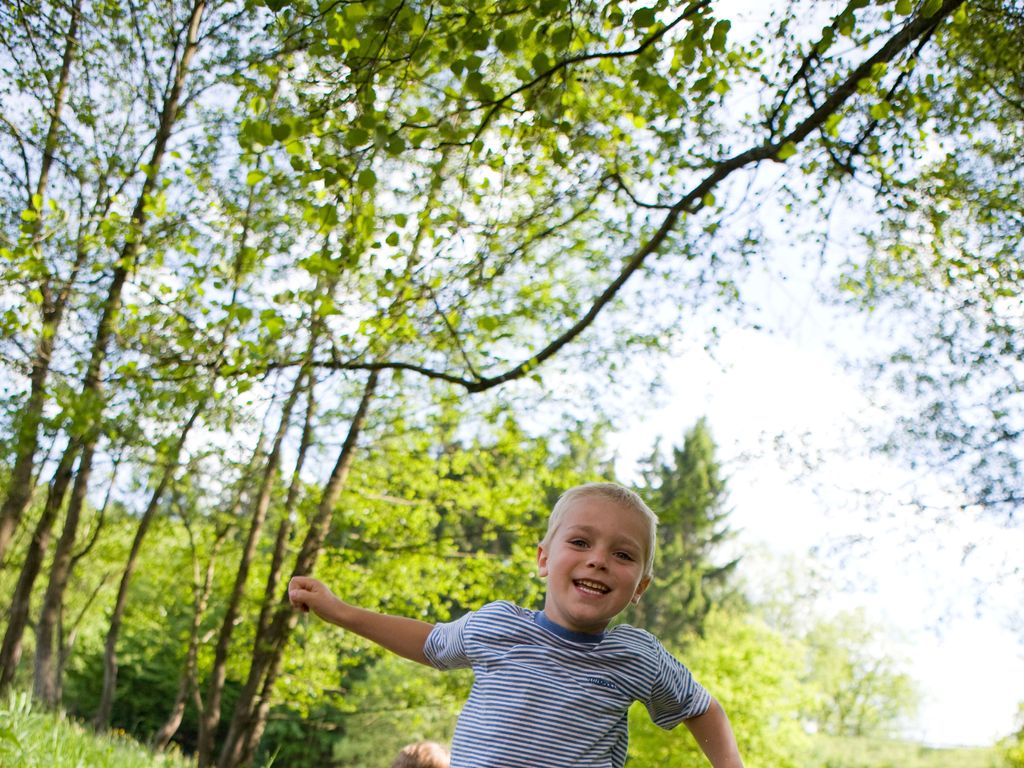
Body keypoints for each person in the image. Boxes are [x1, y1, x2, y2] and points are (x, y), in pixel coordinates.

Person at [289, 482, 744, 767]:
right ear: (545, 559)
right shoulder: (498, 626)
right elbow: (430, 643)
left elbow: (701, 708)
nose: (598, 560)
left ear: (640, 586)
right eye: (581, 541)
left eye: (622, 554)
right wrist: (341, 611)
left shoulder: (637, 657)